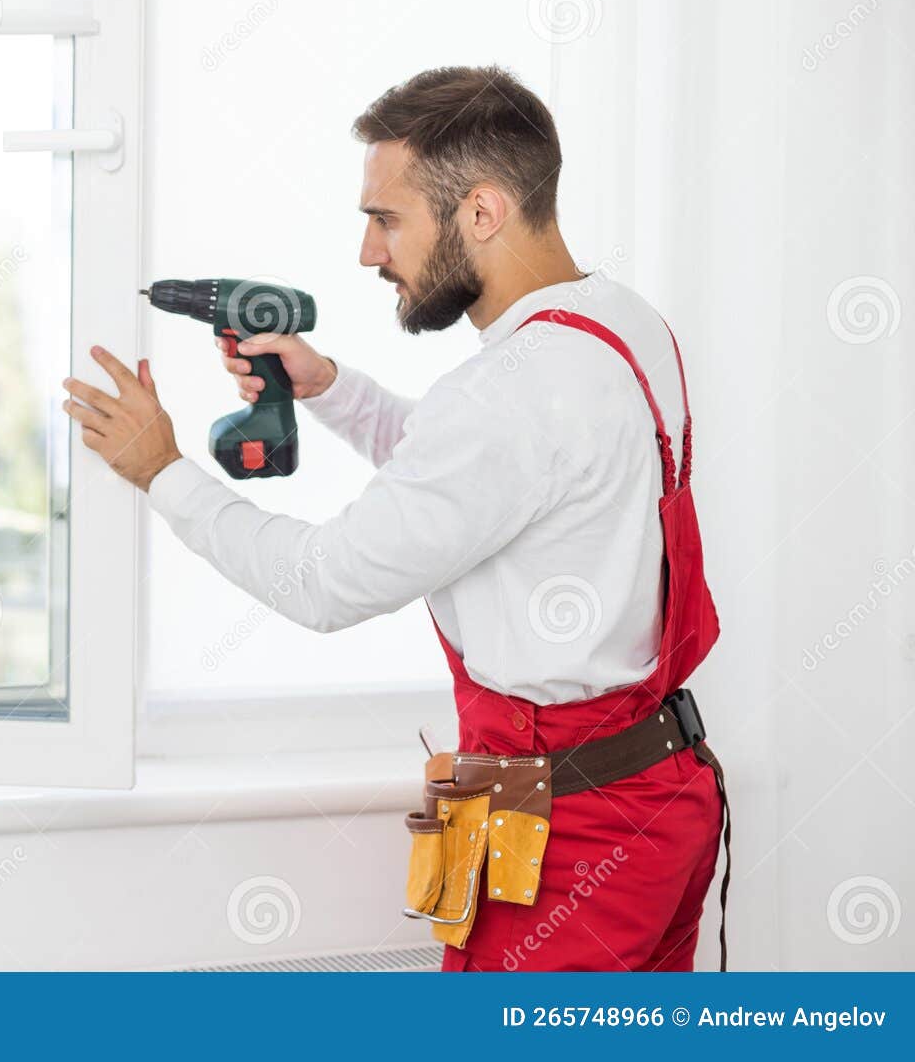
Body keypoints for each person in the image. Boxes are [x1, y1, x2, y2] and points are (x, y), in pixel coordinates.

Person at [61, 64, 730, 971]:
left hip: (566, 834)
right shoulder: (618, 322)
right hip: (658, 793)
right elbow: (490, 484)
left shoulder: (505, 395)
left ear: (482, 211)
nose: (369, 253)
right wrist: (331, 388)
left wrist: (162, 471)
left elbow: (322, 584)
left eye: (387, 218)